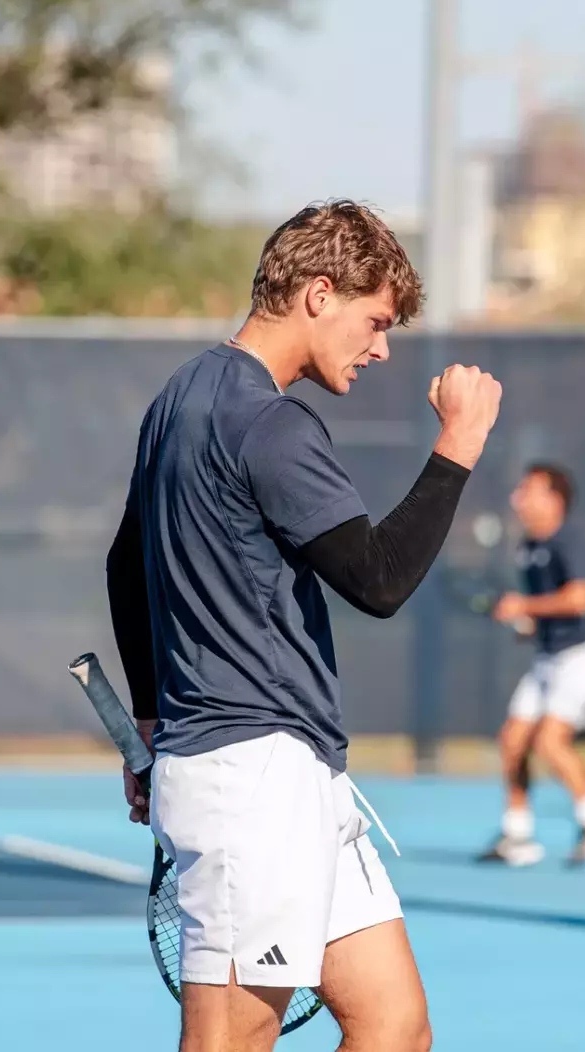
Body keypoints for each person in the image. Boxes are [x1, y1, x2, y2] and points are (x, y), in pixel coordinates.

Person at [104, 199, 502, 1052]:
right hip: (252, 782)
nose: (382, 347)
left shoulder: (180, 397)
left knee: (395, 1028)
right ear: (319, 295)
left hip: (286, 772)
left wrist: (149, 714)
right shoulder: (272, 424)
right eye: (375, 321)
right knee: (231, 1042)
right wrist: (459, 445)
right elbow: (380, 580)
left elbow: (120, 564)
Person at [477, 463, 585, 867]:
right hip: (551, 658)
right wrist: (528, 623)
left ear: (555, 499)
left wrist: (523, 605)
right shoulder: (527, 547)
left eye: (528, 490)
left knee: (548, 741)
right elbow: (552, 609)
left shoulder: (569, 540)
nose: (517, 498)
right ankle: (518, 835)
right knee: (512, 740)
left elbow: (580, 599)